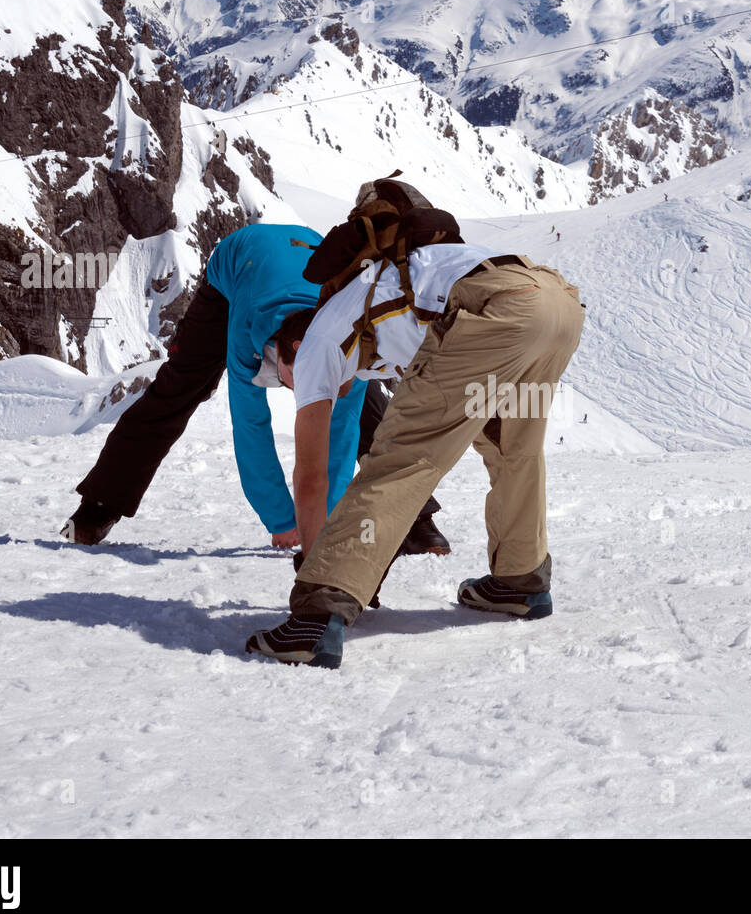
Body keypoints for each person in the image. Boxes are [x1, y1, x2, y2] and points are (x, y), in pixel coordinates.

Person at [246, 218, 584, 668]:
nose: (292, 386)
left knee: (401, 461)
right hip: (554, 307)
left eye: (281, 376)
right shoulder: (376, 312)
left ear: (291, 345)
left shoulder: (316, 343)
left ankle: (316, 619)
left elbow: (311, 476)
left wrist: (317, 568)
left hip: (493, 308)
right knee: (511, 447)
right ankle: (521, 580)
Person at [63, 223, 450, 558]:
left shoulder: (344, 335)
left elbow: (341, 432)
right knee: (179, 387)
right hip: (238, 268)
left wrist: (321, 519)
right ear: (288, 353)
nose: (309, 396)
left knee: (366, 408)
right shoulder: (247, 328)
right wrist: (282, 518)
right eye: (304, 382)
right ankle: (98, 507)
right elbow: (251, 427)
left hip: (309, 260)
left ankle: (416, 517)